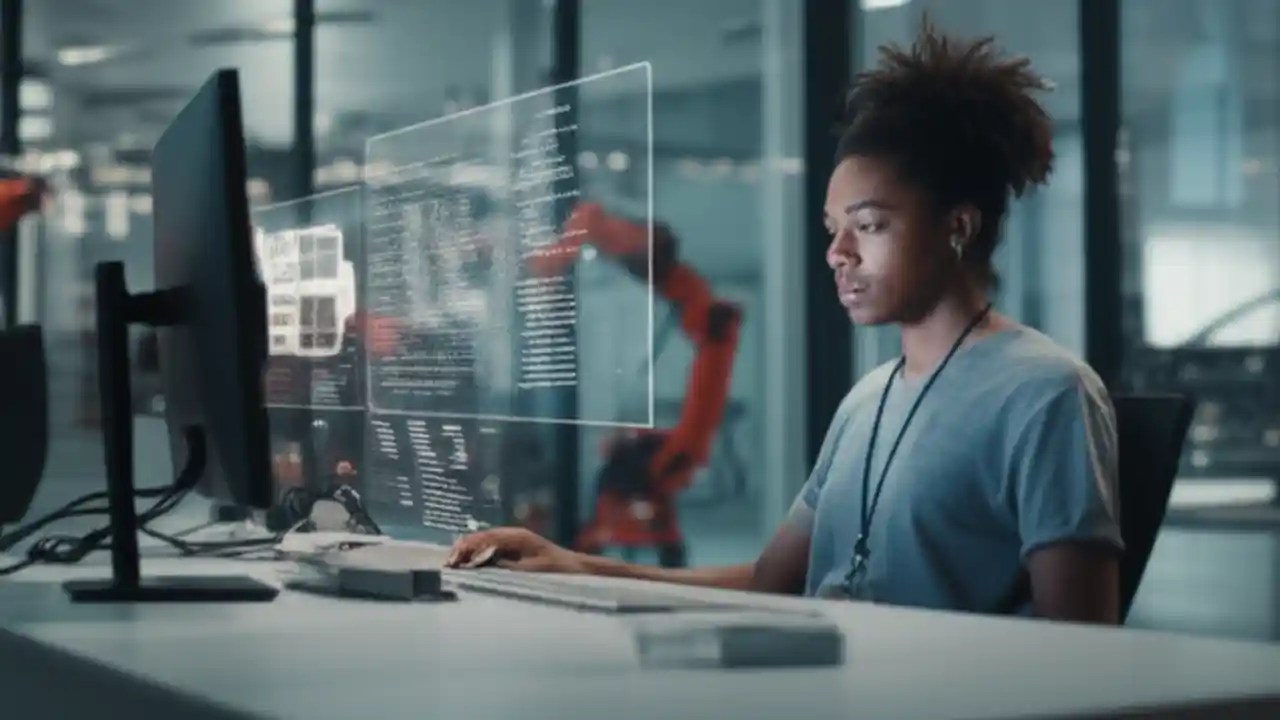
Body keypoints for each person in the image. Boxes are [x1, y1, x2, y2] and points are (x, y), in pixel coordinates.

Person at [446, 21, 1124, 624]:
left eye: (869, 225)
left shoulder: (1045, 395)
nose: (837, 253)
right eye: (833, 229)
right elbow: (772, 583)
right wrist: (573, 566)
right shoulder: (867, 400)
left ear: (959, 227)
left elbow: (1080, 649)